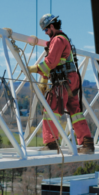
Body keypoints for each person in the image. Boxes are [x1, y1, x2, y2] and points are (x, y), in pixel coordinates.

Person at [29, 14, 94, 153]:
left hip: (62, 80)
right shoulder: (64, 39)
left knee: (50, 110)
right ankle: (87, 143)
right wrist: (44, 81)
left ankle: (51, 143)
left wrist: (32, 69)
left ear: (52, 26)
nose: (46, 33)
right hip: (71, 79)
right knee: (76, 112)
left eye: (46, 30)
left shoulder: (57, 40)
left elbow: (50, 63)